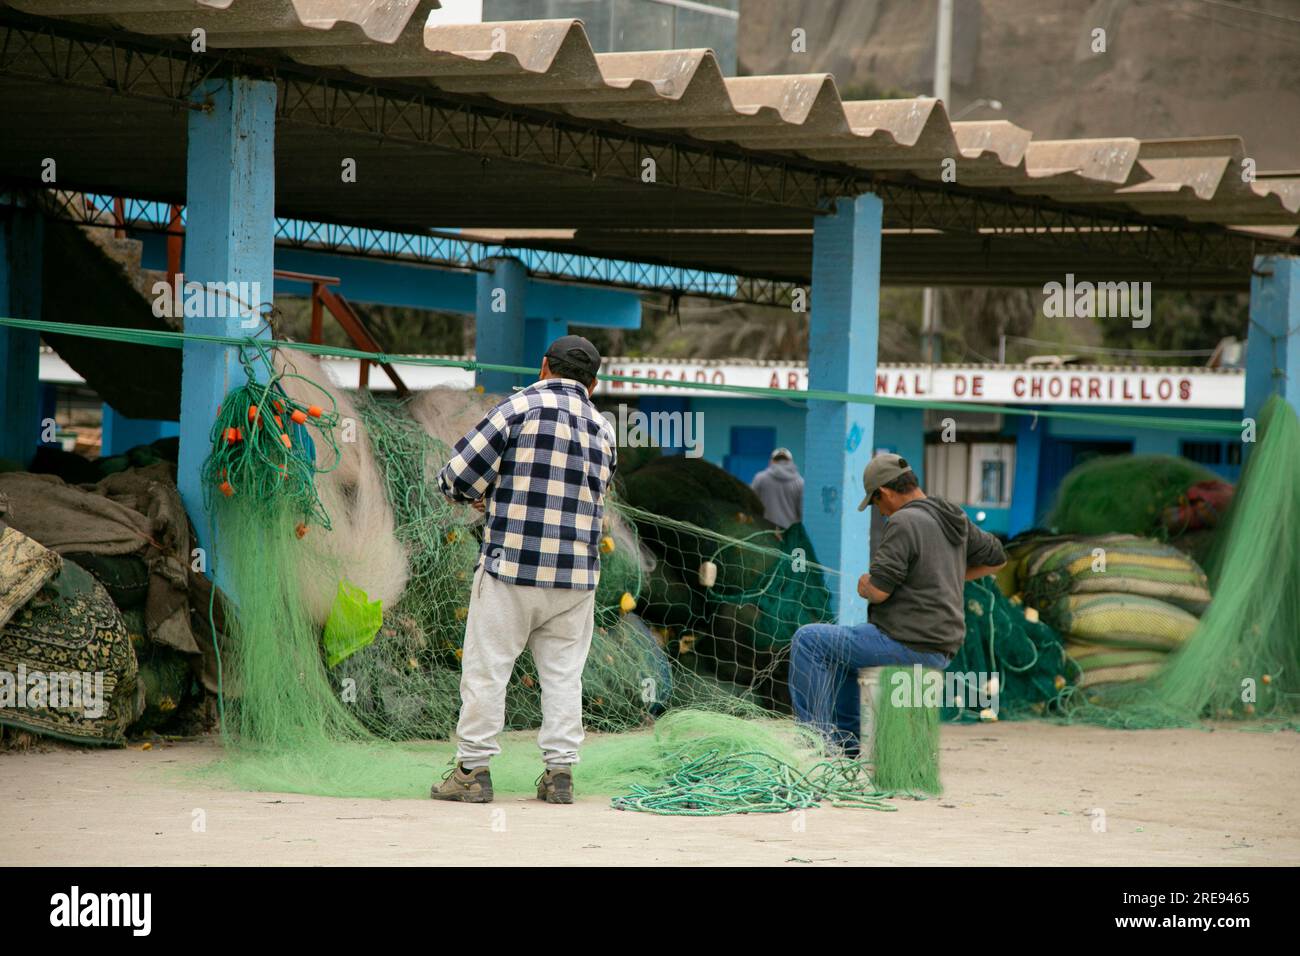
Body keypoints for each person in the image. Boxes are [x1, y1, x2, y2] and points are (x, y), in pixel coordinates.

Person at [430, 335, 617, 805]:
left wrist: (481, 495)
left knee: (488, 669)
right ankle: (559, 776)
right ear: (592, 384)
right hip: (576, 577)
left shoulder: (518, 408)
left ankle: (472, 772)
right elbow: (595, 492)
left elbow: (456, 475)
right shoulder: (603, 428)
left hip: (511, 566)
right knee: (562, 676)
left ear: (543, 366)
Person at [788, 453, 1006, 754]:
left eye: (876, 502)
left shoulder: (903, 521)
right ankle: (846, 746)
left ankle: (814, 744)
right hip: (943, 645)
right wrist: (955, 575)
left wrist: (865, 585)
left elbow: (879, 592)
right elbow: (998, 559)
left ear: (886, 492)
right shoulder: (951, 514)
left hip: (907, 642)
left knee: (809, 640)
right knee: (841, 652)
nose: (879, 511)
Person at [750, 447, 803, 528]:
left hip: (764, 531)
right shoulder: (800, 482)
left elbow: (750, 504)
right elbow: (802, 512)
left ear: (772, 461)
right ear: (791, 462)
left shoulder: (760, 478)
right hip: (789, 533)